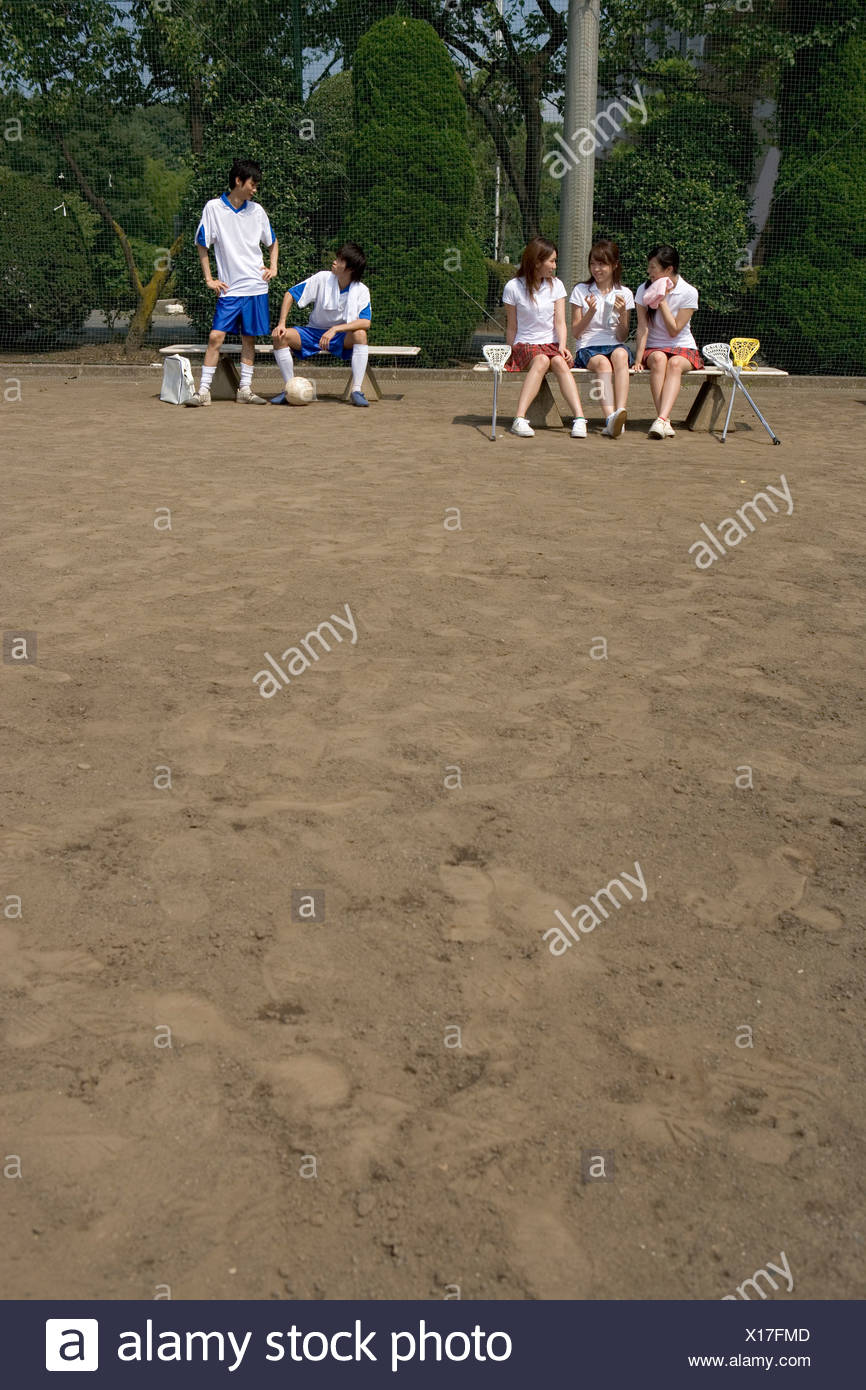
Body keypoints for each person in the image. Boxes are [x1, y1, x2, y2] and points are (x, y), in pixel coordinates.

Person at [185, 159, 278, 406]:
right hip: (230, 290)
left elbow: (272, 241)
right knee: (216, 337)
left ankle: (245, 390)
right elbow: (202, 244)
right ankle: (203, 391)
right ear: (238, 181)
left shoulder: (257, 211)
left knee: (249, 339)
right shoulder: (213, 208)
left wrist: (273, 267)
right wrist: (209, 279)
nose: (255, 189)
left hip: (256, 288)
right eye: (252, 184)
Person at [502, 235, 587, 439]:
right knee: (540, 360)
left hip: (550, 345)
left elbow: (560, 322)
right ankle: (519, 419)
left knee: (559, 361)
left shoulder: (556, 285)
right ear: (537, 261)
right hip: (525, 345)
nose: (554, 266)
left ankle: (580, 419)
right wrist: (509, 351)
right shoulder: (513, 287)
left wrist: (562, 347)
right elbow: (512, 326)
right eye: (551, 261)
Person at [271, 243, 372, 406]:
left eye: (340, 260)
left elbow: (366, 322)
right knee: (280, 336)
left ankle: (357, 390)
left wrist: (335, 329)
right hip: (313, 333)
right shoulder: (322, 278)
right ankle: (289, 390)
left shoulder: (361, 290)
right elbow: (290, 293)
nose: (334, 262)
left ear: (350, 269)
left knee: (360, 334)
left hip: (339, 337)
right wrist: (281, 323)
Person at [634, 244, 703, 439]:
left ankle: (661, 419)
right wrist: (638, 359)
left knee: (673, 363)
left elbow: (674, 330)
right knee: (658, 359)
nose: (649, 272)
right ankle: (664, 420)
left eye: (653, 268)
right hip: (655, 348)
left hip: (683, 347)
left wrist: (662, 301)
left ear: (669, 269)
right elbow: (642, 327)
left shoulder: (689, 292)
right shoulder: (643, 289)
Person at [569, 239, 634, 437]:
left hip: (614, 343)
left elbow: (622, 335)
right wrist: (590, 312)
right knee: (603, 365)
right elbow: (576, 332)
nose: (597, 269)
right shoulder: (581, 290)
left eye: (602, 264)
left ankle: (619, 413)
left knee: (621, 355)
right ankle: (610, 419)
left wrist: (622, 312)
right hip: (588, 346)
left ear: (614, 265)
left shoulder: (624, 293)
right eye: (593, 264)